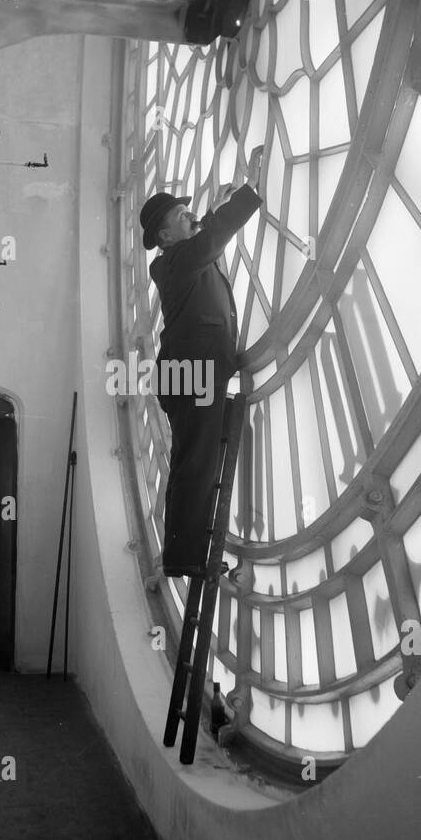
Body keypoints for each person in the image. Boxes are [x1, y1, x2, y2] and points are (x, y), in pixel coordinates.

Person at [139, 153, 263, 578]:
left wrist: (211, 211)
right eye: (180, 213)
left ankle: (185, 552)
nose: (189, 214)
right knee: (197, 461)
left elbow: (202, 237)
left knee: (196, 458)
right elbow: (207, 241)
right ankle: (184, 556)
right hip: (191, 370)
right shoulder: (171, 262)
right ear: (163, 234)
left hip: (191, 370)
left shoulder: (180, 259)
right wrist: (250, 193)